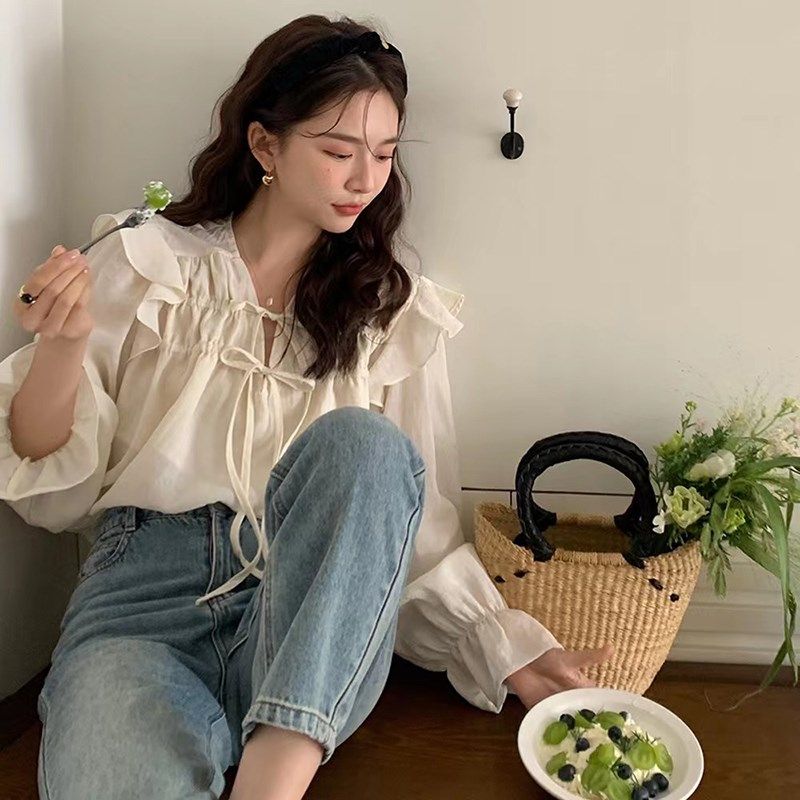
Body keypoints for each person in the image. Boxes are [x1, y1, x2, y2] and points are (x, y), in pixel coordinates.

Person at [1, 13, 613, 800]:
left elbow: (401, 518)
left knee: (363, 443)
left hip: (308, 618)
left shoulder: (386, 312)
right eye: (338, 151)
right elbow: (48, 481)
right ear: (265, 145)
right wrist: (63, 345)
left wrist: (505, 649)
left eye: (384, 154)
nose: (366, 180)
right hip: (140, 604)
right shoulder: (147, 264)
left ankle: (274, 779)